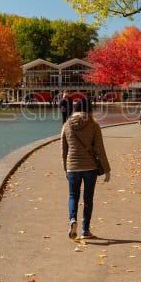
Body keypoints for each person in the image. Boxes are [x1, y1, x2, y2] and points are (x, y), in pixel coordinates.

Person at [61, 97, 110, 241]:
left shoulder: (66, 125)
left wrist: (65, 168)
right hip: (90, 167)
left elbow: (63, 150)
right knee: (88, 199)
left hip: (72, 167)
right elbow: (100, 149)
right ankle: (85, 230)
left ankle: (72, 219)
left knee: (72, 196)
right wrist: (106, 169)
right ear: (90, 109)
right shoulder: (94, 125)